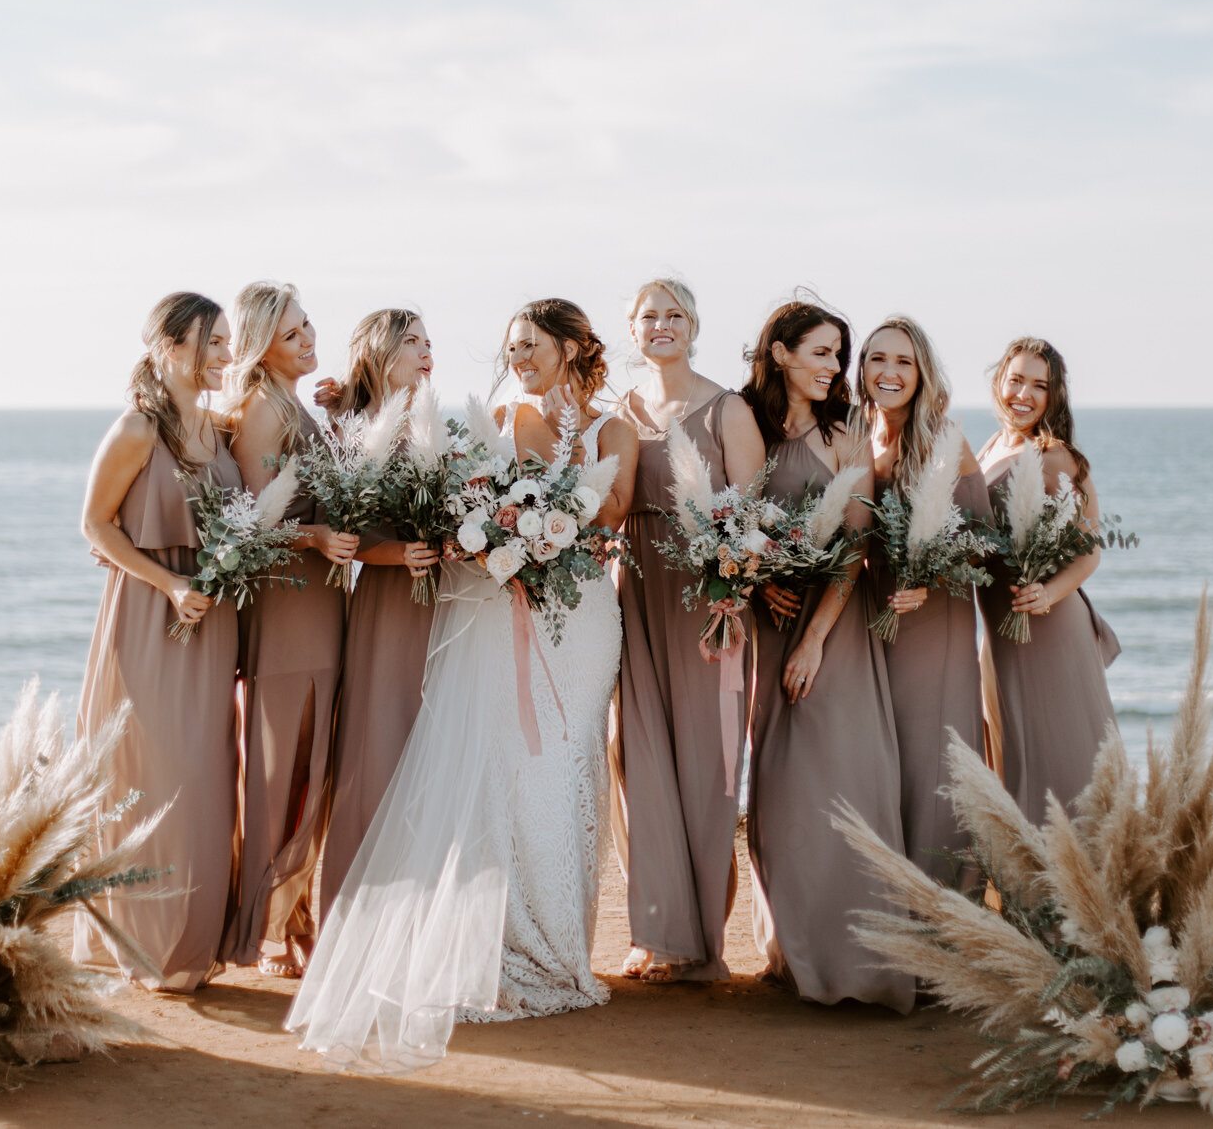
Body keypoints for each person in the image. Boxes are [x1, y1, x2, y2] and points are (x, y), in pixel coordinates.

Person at [287, 298, 638, 1074]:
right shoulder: (501, 419)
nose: (517, 355)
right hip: (505, 604)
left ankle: (564, 940)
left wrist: (552, 520)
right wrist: (508, 530)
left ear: (574, 348)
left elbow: (613, 514)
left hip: (583, 619)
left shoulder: (618, 428)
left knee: (572, 761)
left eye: (532, 343)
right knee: (513, 770)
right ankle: (508, 941)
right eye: (512, 344)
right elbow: (459, 496)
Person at [742, 298, 913, 1011]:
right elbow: (730, 523)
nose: (835, 367)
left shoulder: (846, 436)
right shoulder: (744, 424)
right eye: (821, 351)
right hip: (769, 626)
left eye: (839, 354)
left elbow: (855, 550)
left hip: (832, 635)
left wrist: (814, 639)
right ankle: (795, 954)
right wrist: (756, 588)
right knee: (779, 797)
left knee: (839, 785)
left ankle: (859, 966)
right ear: (780, 352)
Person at [73, 292, 240, 991]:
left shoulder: (219, 426)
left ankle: (192, 940)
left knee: (206, 782)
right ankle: (148, 945)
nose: (228, 356)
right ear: (170, 347)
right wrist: (168, 585)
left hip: (214, 622)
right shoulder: (138, 429)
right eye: (215, 343)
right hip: (150, 616)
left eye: (231, 343)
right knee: (154, 780)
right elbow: (94, 526)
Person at [611, 278, 764, 982]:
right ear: (633, 329)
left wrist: (731, 593)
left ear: (695, 325)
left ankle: (705, 944)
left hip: (706, 601)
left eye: (675, 314)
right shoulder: (620, 409)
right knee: (638, 762)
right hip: (634, 593)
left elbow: (757, 517)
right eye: (649, 315)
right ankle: (655, 932)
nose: (662, 325)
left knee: (708, 770)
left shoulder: (726, 407)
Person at [223, 282, 353, 978]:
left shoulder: (292, 404)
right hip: (286, 606)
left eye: (309, 328)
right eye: (294, 333)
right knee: (282, 768)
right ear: (260, 341)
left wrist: (335, 418)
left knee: (312, 762)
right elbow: (252, 525)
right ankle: (268, 929)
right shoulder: (260, 410)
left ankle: (296, 917)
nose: (309, 341)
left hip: (321, 601)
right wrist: (314, 536)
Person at [318, 308, 441, 920]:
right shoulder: (348, 426)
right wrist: (399, 552)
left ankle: (422, 908)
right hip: (388, 600)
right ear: (379, 351)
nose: (425, 350)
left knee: (432, 746)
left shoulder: (434, 422)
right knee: (377, 742)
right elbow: (345, 531)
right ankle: (353, 910)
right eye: (411, 341)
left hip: (442, 603)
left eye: (427, 341)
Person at [857, 316, 986, 886]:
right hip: (877, 615)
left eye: (903, 362)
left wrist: (930, 581)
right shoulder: (857, 433)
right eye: (878, 359)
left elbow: (984, 541)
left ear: (921, 374)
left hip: (935, 618)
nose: (889, 372)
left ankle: (950, 909)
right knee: (890, 761)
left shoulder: (943, 440)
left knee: (933, 758)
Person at [974, 337, 1121, 823]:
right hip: (1000, 628)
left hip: (1046, 624)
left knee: (1062, 761)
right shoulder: (993, 444)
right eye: (1016, 379)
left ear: (1053, 396)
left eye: (1040, 385)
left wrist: (1048, 592)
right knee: (1013, 756)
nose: (1024, 393)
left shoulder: (1053, 456)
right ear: (999, 380)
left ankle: (1085, 886)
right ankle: (1025, 885)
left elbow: (1089, 552)